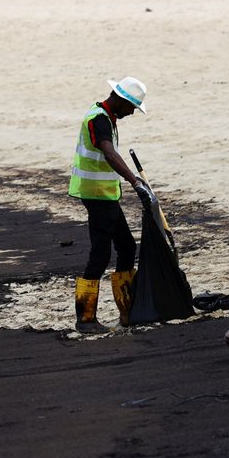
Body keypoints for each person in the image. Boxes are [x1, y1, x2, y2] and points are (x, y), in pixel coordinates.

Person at [68, 77, 153, 333]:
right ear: (123, 100)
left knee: (126, 247)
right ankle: (85, 320)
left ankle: (128, 311)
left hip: (106, 194)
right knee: (101, 253)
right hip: (96, 195)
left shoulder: (107, 117)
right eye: (132, 108)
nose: (131, 113)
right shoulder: (99, 119)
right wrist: (133, 179)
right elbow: (108, 152)